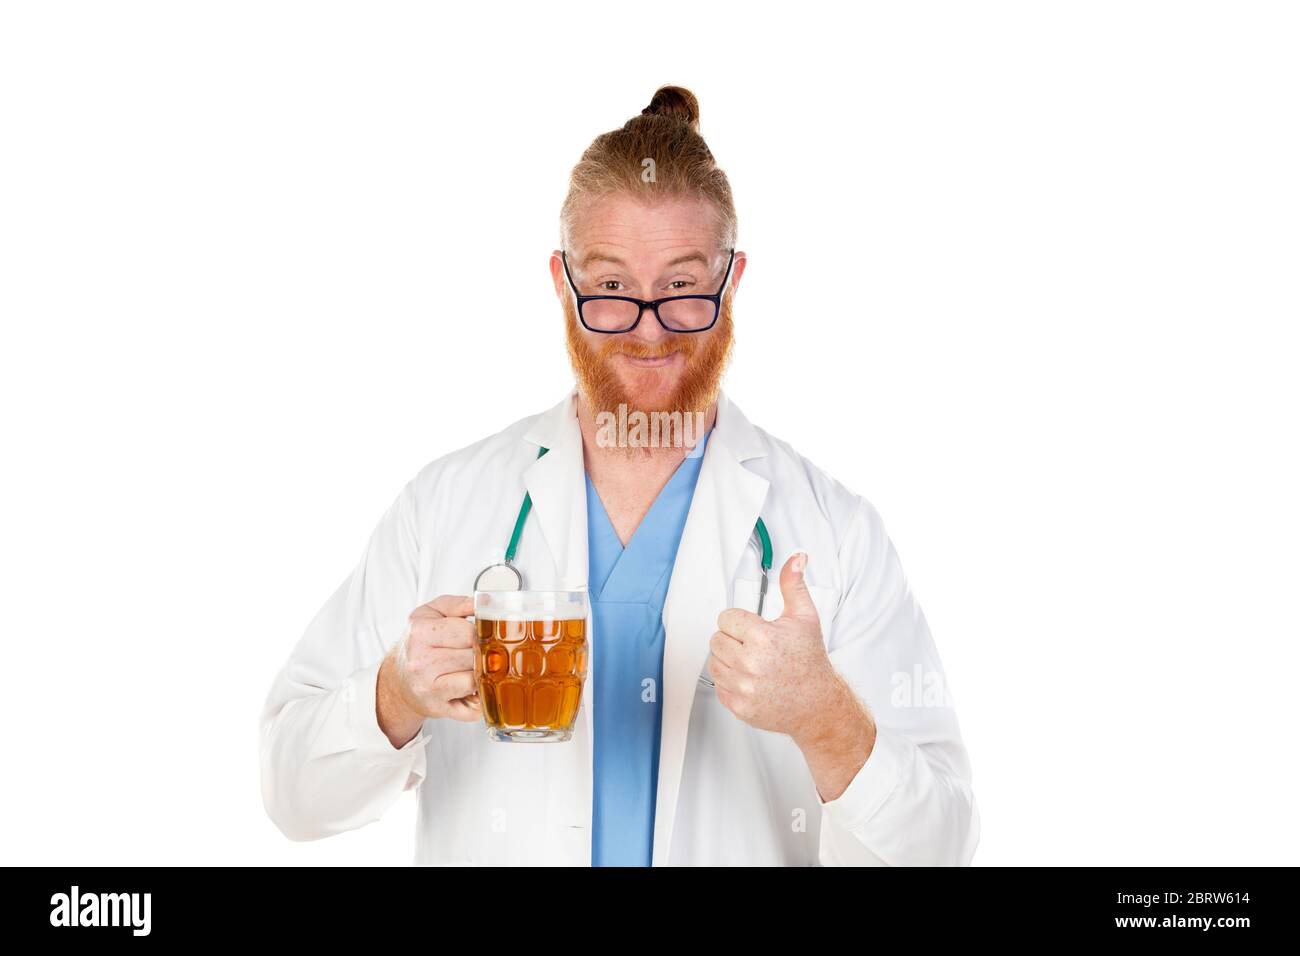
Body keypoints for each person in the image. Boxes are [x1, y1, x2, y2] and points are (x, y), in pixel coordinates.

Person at [260, 85, 979, 866]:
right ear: (562, 284)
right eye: (610, 287)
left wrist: (827, 718)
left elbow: (945, 844)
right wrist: (396, 693)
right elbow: (291, 794)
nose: (647, 328)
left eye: (681, 286)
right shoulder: (444, 507)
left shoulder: (836, 531)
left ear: (731, 281)